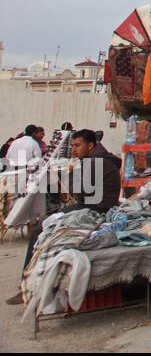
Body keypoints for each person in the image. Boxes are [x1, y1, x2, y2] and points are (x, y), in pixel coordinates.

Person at [6, 130, 121, 305]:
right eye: (73, 145)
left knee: (40, 229)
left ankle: (27, 287)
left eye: (77, 145)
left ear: (90, 146)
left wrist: (71, 175)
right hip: (95, 206)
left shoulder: (95, 162)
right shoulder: (98, 160)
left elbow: (83, 194)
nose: (73, 149)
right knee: (45, 224)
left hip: (95, 209)